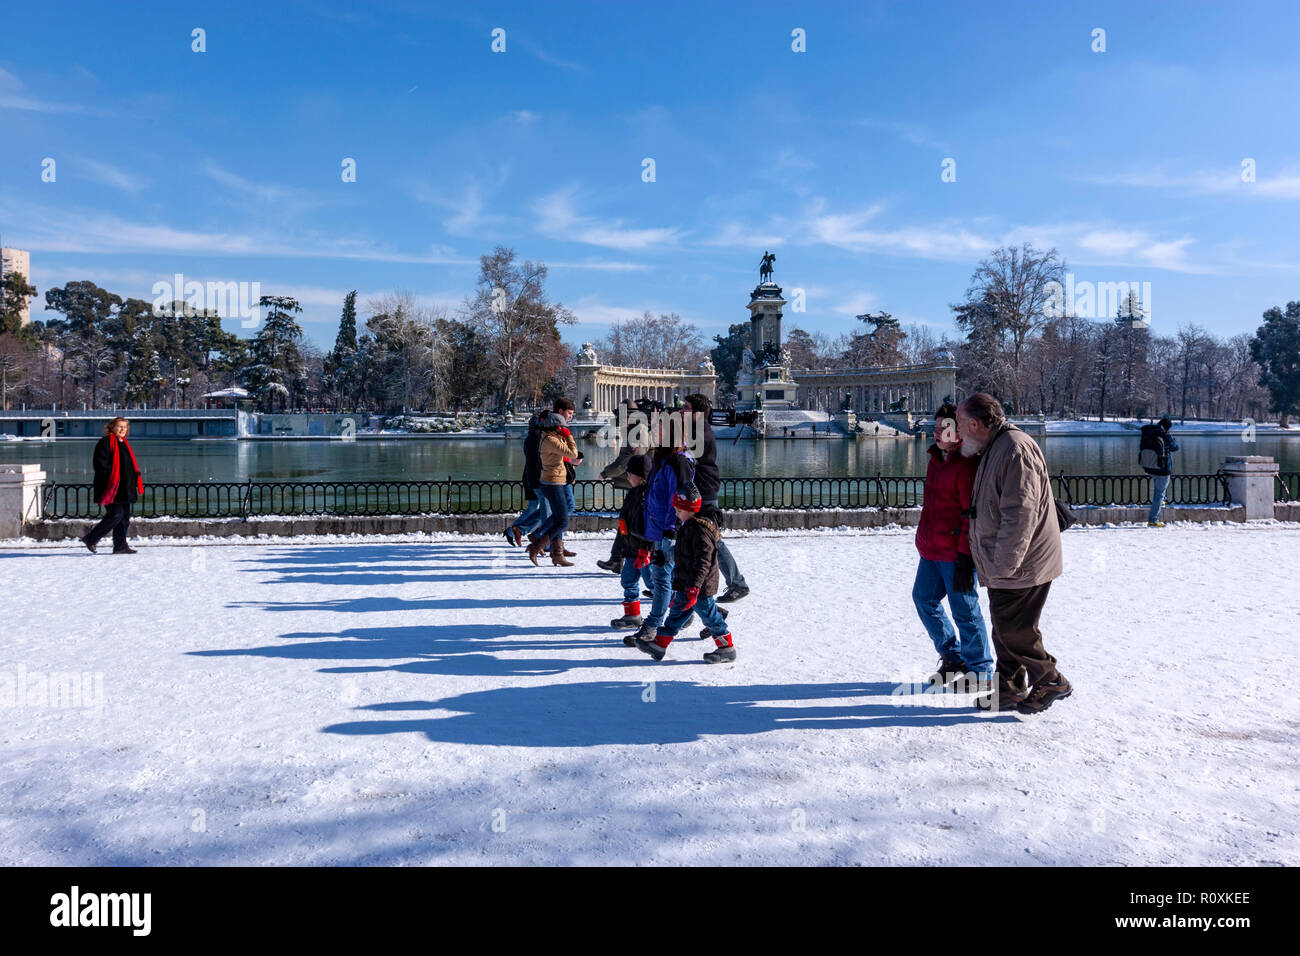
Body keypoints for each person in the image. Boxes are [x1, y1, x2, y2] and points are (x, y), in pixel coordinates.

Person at [957, 393, 1069, 714]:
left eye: (962, 426)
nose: (959, 433)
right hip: (1010, 561)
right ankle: (1008, 687)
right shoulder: (997, 446)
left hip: (1022, 563)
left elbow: (1020, 514)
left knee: (1014, 629)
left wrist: (1004, 566)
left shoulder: (1014, 448)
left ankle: (1050, 679)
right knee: (1004, 625)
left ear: (976, 424)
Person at [913, 403, 993, 688]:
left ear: (957, 431)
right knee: (924, 599)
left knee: (965, 610)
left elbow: (969, 516)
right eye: (934, 428)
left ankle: (981, 669)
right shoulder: (936, 459)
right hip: (931, 547)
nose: (936, 433)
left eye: (942, 428)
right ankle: (953, 656)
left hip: (954, 551)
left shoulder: (966, 464)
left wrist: (964, 557)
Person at [634, 485, 736, 663]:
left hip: (699, 588)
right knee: (676, 615)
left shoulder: (700, 530)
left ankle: (726, 647)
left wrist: (695, 587)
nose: (676, 513)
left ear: (689, 510)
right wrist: (664, 557)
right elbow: (683, 551)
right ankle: (660, 645)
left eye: (678, 510)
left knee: (710, 617)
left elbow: (703, 562)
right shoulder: (688, 526)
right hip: (685, 583)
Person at [625, 426, 695, 646]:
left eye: (659, 433)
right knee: (667, 579)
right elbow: (654, 498)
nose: (655, 436)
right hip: (656, 530)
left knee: (662, 579)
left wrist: (671, 531)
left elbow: (679, 499)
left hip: (668, 531)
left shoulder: (677, 462)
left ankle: (653, 626)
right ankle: (696, 613)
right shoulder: (661, 460)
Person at [682, 393, 749, 603]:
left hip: (704, 490)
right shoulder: (696, 429)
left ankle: (737, 583)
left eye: (686, 408)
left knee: (712, 540)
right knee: (696, 539)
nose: (682, 410)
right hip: (700, 489)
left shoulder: (700, 432)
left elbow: (682, 453)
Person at [525, 399, 580, 567]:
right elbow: (573, 452)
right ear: (557, 427)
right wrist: (568, 435)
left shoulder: (551, 438)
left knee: (558, 518)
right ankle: (537, 545)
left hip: (554, 481)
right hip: (553, 482)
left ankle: (555, 552)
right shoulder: (550, 440)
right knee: (562, 520)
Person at [596, 398, 647, 573]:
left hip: (639, 484)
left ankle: (623, 559)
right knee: (627, 521)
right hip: (637, 483)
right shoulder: (635, 429)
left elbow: (626, 461)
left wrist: (606, 472)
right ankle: (617, 559)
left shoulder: (636, 431)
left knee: (631, 522)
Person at [81, 417, 143, 554]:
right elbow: (100, 464)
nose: (122, 429)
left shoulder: (124, 443)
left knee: (124, 517)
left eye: (125, 427)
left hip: (125, 488)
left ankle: (120, 546)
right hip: (111, 487)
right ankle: (91, 539)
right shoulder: (106, 442)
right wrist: (114, 476)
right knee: (116, 514)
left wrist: (133, 477)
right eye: (119, 426)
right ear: (112, 427)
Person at [609, 454, 654, 629]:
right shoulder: (634, 492)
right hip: (631, 548)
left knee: (653, 584)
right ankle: (632, 615)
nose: (627, 477)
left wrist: (646, 547)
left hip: (644, 549)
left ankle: (679, 610)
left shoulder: (646, 495)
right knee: (628, 580)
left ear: (641, 476)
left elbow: (647, 526)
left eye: (630, 474)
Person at [505, 406, 551, 546]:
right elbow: (537, 460)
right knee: (544, 510)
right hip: (536, 477)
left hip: (531, 476)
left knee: (536, 507)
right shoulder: (537, 437)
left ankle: (515, 531)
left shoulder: (534, 436)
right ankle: (522, 532)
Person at [1140, 416, 1179, 527]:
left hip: (1148, 467)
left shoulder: (1148, 431)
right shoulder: (1165, 434)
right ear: (1168, 428)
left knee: (1160, 492)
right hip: (1162, 468)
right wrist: (1171, 437)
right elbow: (1175, 447)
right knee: (1159, 494)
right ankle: (1153, 520)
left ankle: (1162, 502)